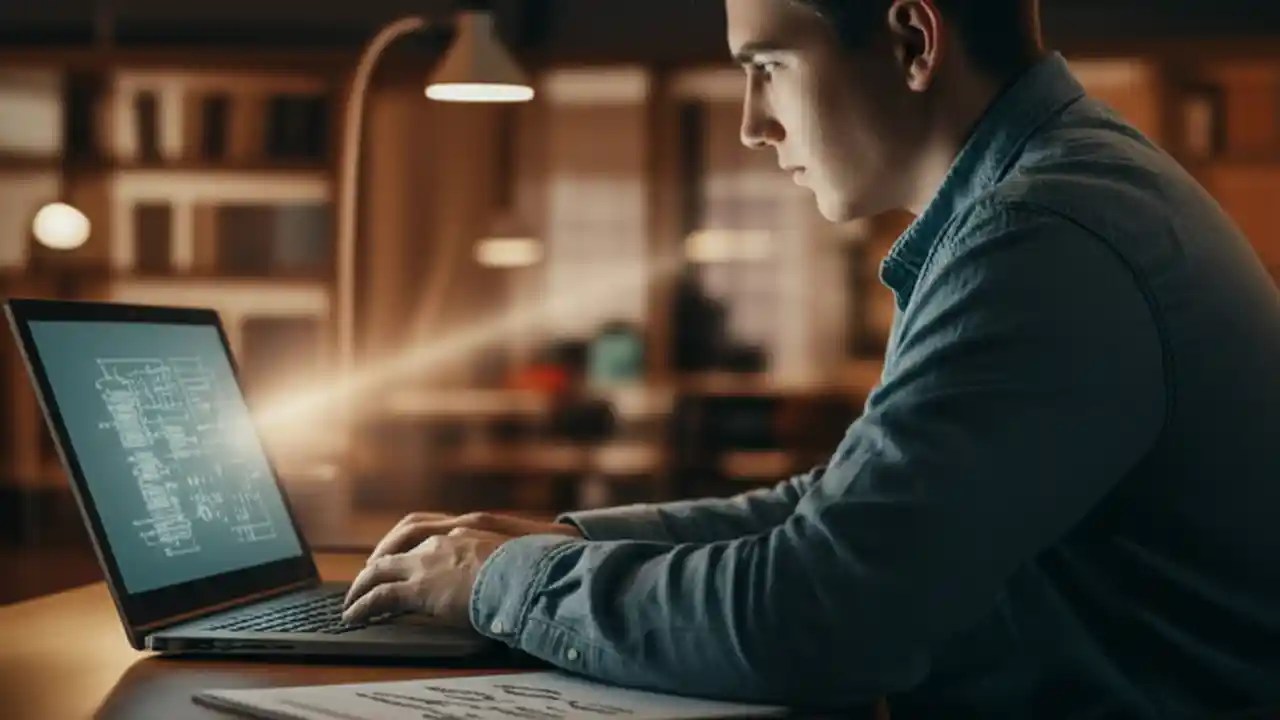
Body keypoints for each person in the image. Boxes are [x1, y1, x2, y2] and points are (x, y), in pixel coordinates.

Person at [343, 0, 1280, 715]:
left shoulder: (1039, 236)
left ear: (914, 39)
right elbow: (835, 513)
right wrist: (567, 543)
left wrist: (500, 584)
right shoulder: (1059, 191)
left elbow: (812, 616)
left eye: (770, 65)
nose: (754, 122)